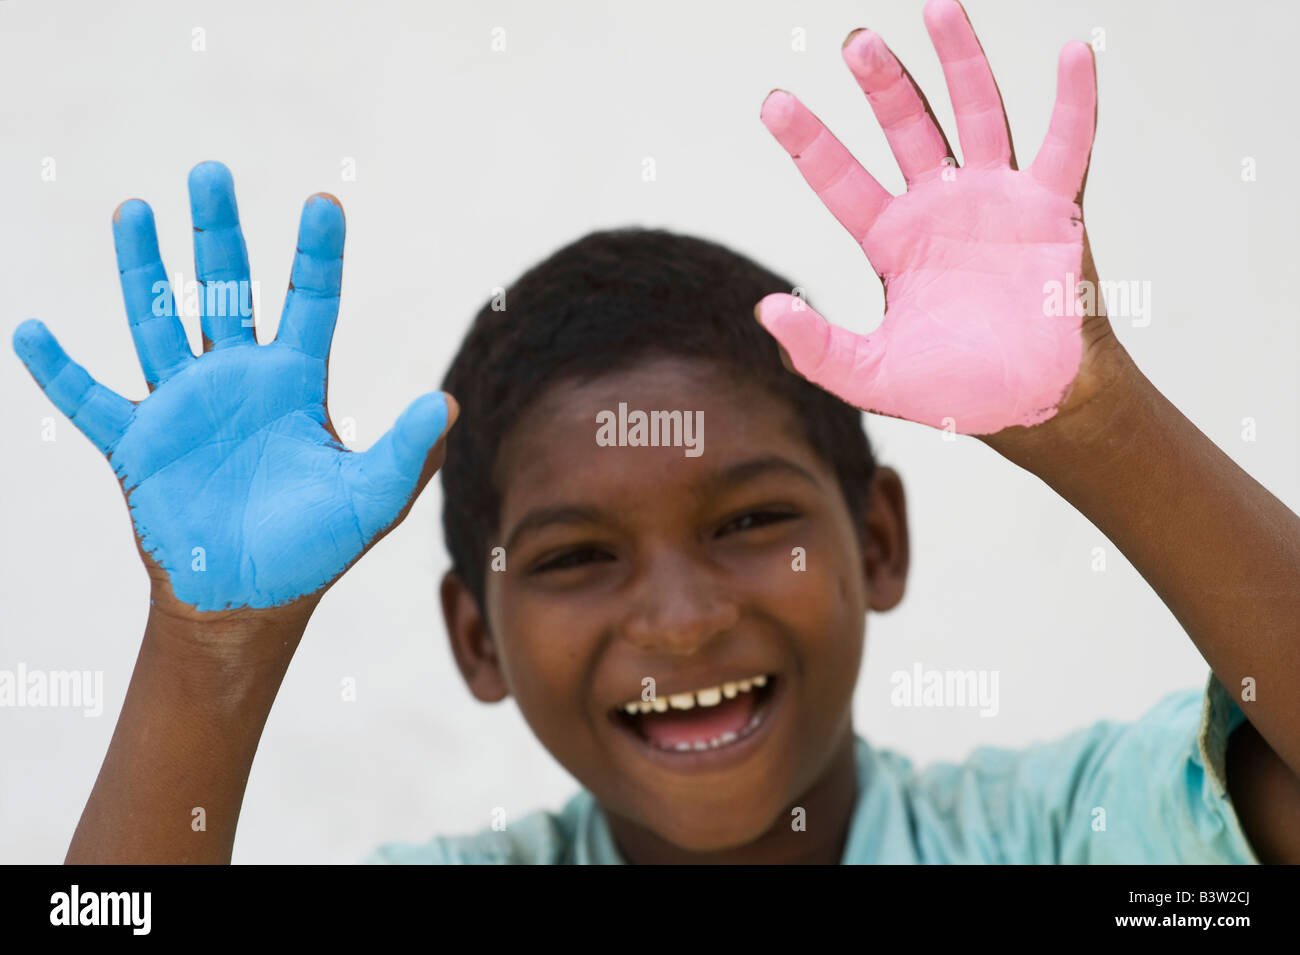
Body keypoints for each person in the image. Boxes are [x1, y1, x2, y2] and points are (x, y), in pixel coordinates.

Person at [13, 0, 1298, 864]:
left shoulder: (1075, 835)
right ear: (477, 635)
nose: (681, 618)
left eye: (750, 522)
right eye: (574, 556)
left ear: (879, 540)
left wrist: (1096, 425)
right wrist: (209, 655)